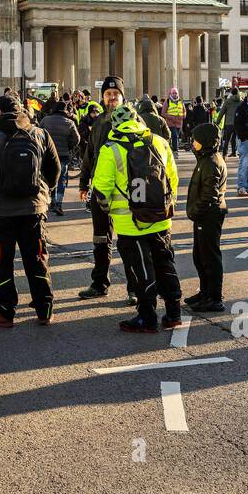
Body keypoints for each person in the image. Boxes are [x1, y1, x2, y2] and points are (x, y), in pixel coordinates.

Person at [91, 103, 182, 333]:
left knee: (141, 269)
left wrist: (109, 209)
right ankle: (174, 312)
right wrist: (168, 205)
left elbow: (100, 188)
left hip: (130, 223)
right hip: (161, 217)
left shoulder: (111, 148)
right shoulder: (159, 142)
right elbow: (172, 178)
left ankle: (147, 317)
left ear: (115, 125)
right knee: (165, 263)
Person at [0, 94, 60, 326]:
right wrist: (43, 191)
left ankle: (5, 310)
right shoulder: (39, 133)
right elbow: (55, 169)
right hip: (33, 208)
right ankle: (45, 308)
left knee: (1, 261)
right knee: (37, 258)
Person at [77, 76, 132, 302]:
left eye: (115, 94)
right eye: (108, 94)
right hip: (101, 189)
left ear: (122, 96)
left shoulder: (132, 120)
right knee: (101, 239)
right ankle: (100, 282)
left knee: (129, 241)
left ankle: (135, 287)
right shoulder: (99, 121)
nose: (111, 97)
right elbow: (90, 155)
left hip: (125, 191)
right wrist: (83, 183)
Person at [185, 119, 227, 313]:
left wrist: (195, 211)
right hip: (203, 215)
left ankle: (214, 297)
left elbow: (210, 195)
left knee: (209, 257)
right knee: (199, 256)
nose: (193, 143)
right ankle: (205, 291)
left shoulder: (211, 162)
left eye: (196, 140)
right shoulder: (205, 158)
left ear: (205, 141)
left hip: (209, 215)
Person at [38, 96, 80, 217]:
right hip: (63, 155)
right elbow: (76, 139)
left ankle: (50, 201)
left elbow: (39, 134)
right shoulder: (69, 122)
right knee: (61, 179)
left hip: (47, 155)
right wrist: (68, 146)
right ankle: (59, 204)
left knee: (48, 178)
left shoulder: (46, 120)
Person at [219, 87, 241, 157]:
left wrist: (217, 122)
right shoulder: (241, 102)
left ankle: (225, 154)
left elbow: (221, 113)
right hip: (238, 123)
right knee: (236, 138)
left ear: (231, 93)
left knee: (227, 139)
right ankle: (234, 152)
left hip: (229, 123)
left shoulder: (227, 101)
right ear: (238, 93)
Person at [164, 87, 186, 153]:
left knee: (175, 136)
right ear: (170, 94)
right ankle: (175, 150)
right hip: (171, 123)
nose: (174, 94)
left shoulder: (181, 101)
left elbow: (184, 111)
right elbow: (163, 113)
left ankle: (171, 148)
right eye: (173, 93)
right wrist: (171, 117)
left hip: (179, 123)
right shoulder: (167, 101)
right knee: (174, 135)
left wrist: (184, 115)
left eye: (175, 93)